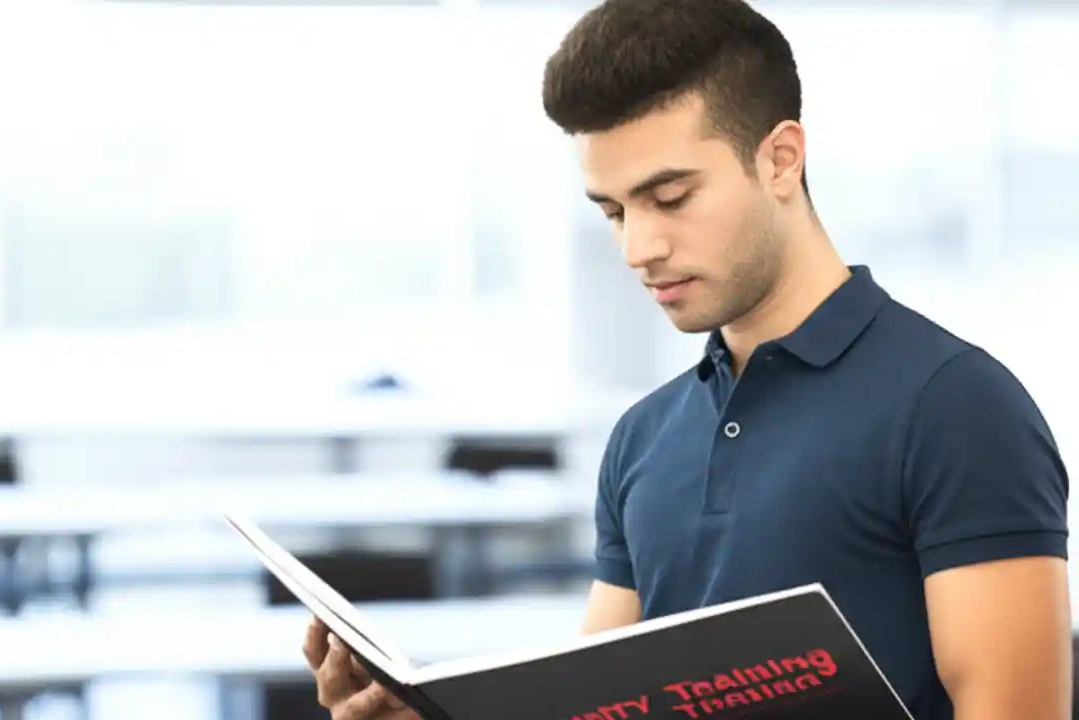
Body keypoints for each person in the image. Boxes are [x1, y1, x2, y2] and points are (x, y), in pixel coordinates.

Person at [302, 0, 1073, 718]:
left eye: (670, 198)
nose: (640, 248)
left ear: (780, 160)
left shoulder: (956, 406)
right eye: (613, 211)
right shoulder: (642, 437)